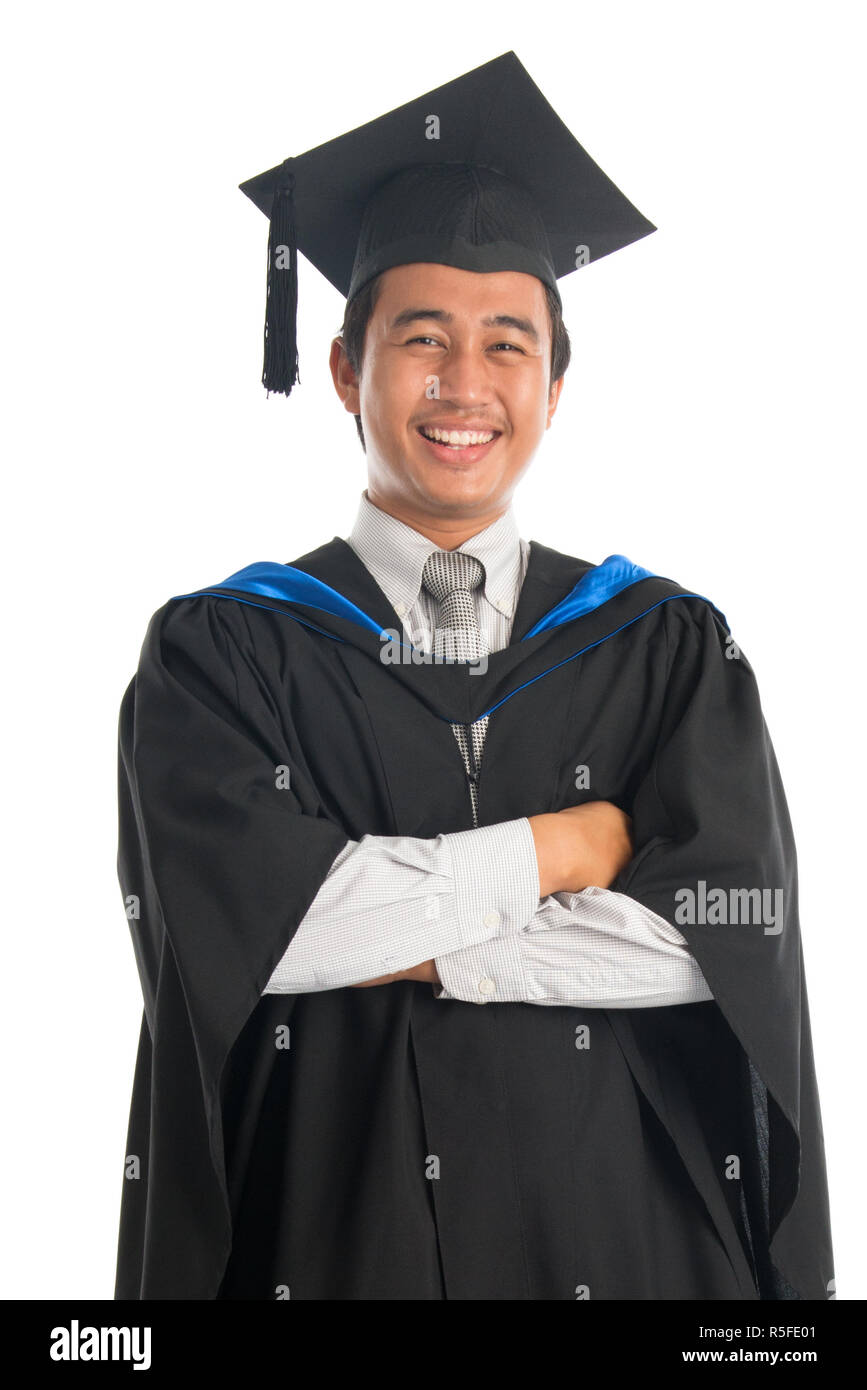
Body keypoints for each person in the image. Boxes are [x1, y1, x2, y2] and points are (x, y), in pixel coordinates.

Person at [114, 51, 834, 1300]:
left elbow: (716, 946)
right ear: (347, 369)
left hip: (638, 1251)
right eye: (422, 339)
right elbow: (257, 932)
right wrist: (561, 855)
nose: (465, 384)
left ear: (555, 387)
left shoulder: (667, 647)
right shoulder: (221, 653)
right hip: (335, 1247)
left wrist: (409, 930)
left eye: (509, 344)